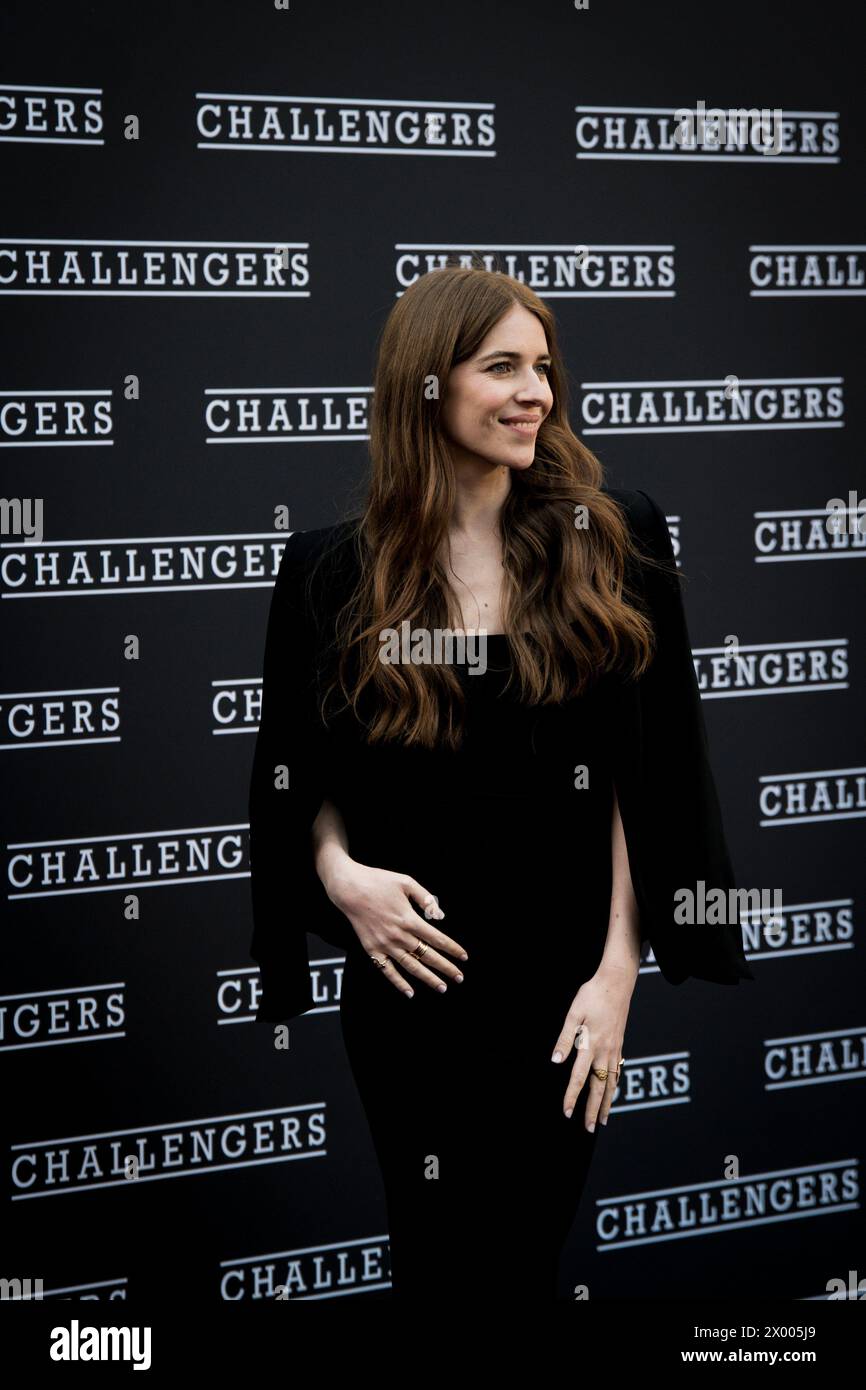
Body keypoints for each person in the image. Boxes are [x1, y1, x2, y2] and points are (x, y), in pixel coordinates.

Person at [247, 264, 754, 1302]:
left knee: (520, 1264)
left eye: (543, 368)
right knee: (436, 1266)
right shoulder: (328, 569)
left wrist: (616, 975)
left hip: (559, 991)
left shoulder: (610, 535)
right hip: (409, 982)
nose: (535, 393)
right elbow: (299, 770)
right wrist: (339, 877)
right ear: (424, 386)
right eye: (501, 368)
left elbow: (642, 777)